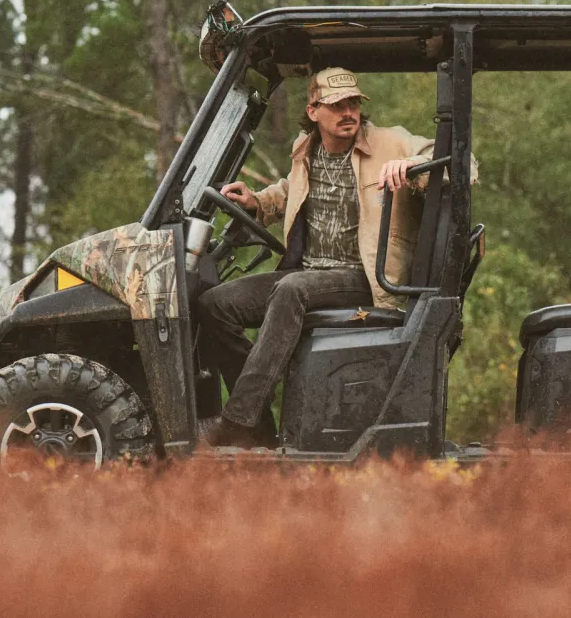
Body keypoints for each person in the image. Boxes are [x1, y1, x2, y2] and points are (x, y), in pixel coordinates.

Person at [196, 66, 470, 448]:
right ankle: (258, 425)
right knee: (214, 305)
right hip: (311, 273)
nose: (349, 112)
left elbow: (464, 166)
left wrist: (413, 166)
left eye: (354, 103)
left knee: (291, 290)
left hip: (365, 276)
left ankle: (238, 419)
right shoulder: (306, 152)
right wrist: (256, 201)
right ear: (313, 112)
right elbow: (294, 189)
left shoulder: (391, 142)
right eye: (337, 104)